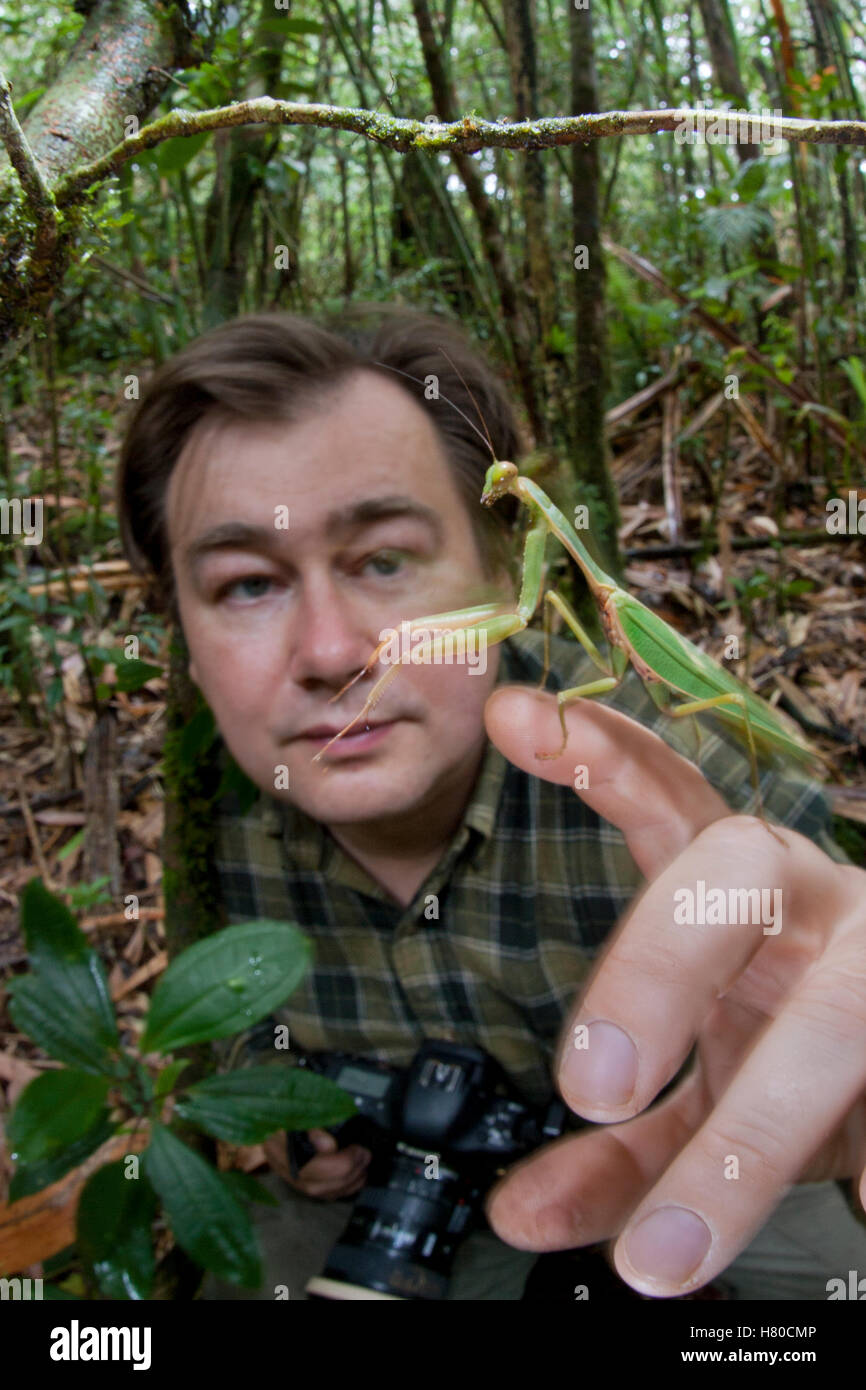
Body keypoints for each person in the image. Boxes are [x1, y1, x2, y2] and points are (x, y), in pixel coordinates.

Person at [116, 306, 866, 1301]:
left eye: (384, 559)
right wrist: (288, 1116)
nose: (334, 651)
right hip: (408, 1197)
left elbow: (829, 929)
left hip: (702, 1150)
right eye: (248, 583)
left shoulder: (658, 768)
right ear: (181, 629)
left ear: (498, 556)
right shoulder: (207, 828)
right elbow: (249, 1045)